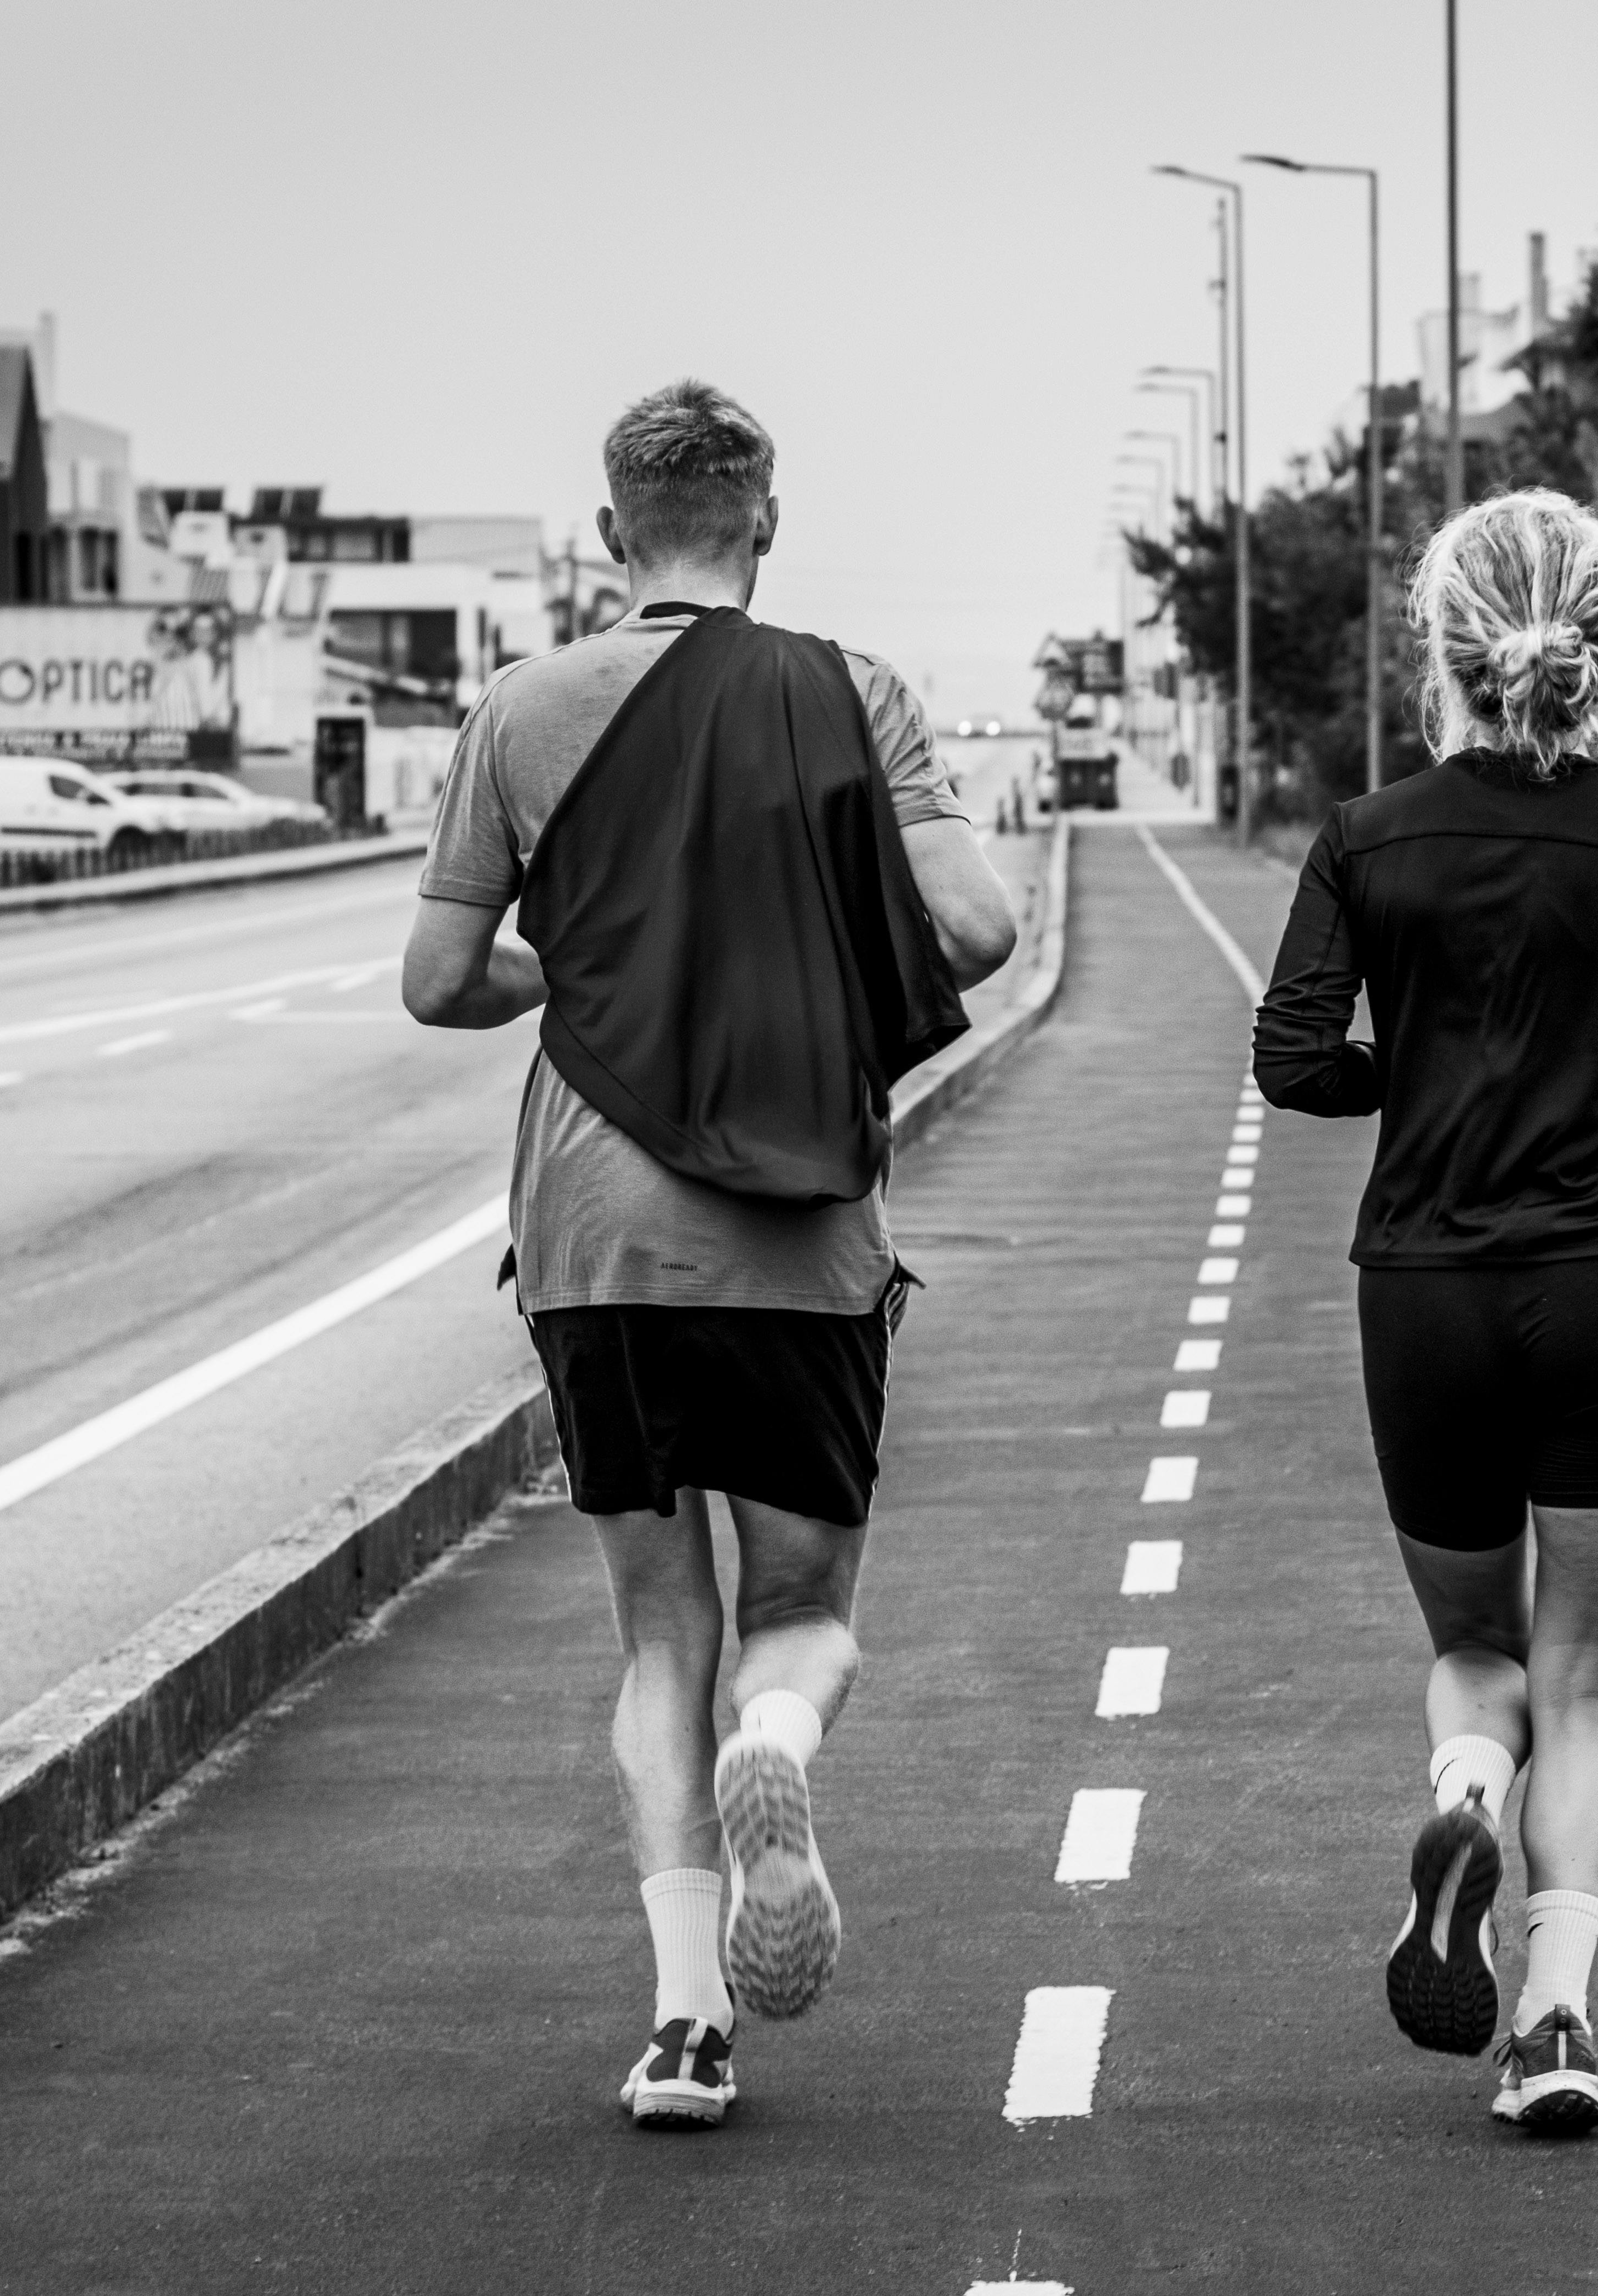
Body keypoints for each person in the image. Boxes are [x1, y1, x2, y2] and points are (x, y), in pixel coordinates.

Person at [404, 381, 1019, 2131]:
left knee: (655, 1632)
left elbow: (441, 981)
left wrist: (586, 978)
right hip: (802, 1233)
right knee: (801, 1616)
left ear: (613, 537)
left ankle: (683, 2028)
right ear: (764, 523)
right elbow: (975, 924)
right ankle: (784, 1744)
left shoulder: (520, 707)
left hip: (592, 1233)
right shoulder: (852, 691)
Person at [1252, 488, 1598, 2134]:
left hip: (1425, 1294)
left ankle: (1466, 1790)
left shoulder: (1366, 836)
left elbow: (1287, 1057)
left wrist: (1411, 1077)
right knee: (1590, 1676)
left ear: (1447, 647)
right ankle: (1552, 2020)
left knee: (1476, 1649)